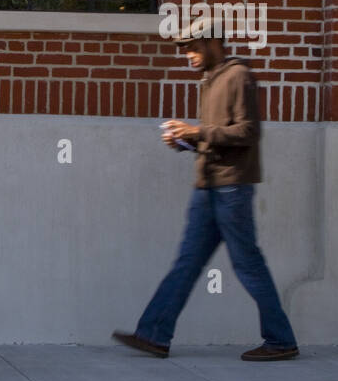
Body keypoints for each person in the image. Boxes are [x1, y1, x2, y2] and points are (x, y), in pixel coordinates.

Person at [113, 23, 299, 361]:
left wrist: (196, 132)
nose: (188, 54)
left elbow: (248, 131)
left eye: (193, 47)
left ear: (213, 42)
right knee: (187, 262)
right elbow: (216, 136)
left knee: (247, 264)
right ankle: (153, 335)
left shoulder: (238, 76)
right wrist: (184, 142)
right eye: (184, 49)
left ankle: (281, 340)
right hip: (208, 187)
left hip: (232, 187)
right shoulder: (210, 79)